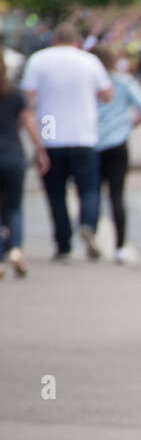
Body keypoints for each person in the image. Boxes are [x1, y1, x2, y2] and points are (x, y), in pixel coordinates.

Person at [19, 23, 112, 261]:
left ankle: (63, 244)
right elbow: (107, 95)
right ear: (76, 42)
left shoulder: (39, 60)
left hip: (50, 131)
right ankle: (88, 225)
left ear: (53, 40)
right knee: (89, 189)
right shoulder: (89, 61)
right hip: (83, 134)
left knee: (55, 193)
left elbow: (26, 98)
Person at [91, 44, 141, 263]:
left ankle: (91, 237)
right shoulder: (123, 81)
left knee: (92, 194)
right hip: (118, 142)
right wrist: (128, 126)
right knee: (117, 195)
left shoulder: (87, 83)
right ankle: (119, 247)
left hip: (92, 143)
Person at [0, 52, 50, 277]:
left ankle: (1, 258)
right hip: (13, 155)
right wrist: (41, 150)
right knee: (14, 207)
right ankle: (16, 250)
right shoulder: (14, 94)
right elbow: (29, 123)